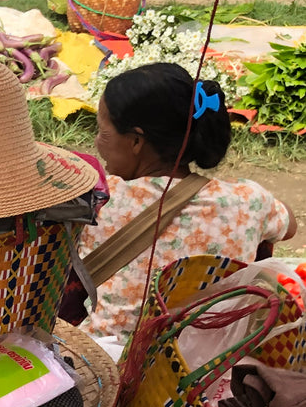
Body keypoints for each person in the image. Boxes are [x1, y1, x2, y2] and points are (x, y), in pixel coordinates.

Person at [79, 62, 297, 346]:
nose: (97, 142)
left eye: (102, 131)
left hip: (104, 360)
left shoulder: (98, 198)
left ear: (136, 141)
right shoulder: (249, 201)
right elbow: (290, 226)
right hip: (201, 366)